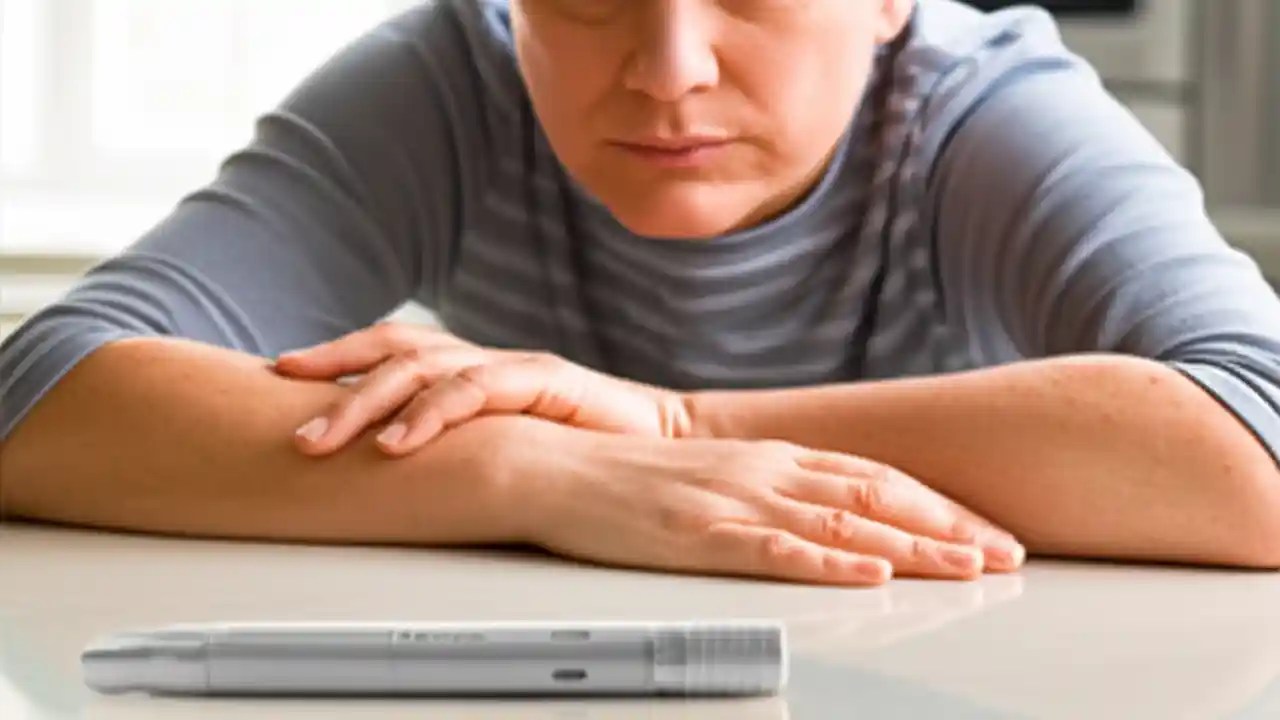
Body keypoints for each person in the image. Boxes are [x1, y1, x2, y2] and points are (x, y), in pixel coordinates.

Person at [3, 0, 1280, 586]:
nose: (667, 69)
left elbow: (1257, 430)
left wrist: (676, 426)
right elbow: (44, 392)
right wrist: (542, 474)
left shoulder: (982, 115)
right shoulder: (450, 84)